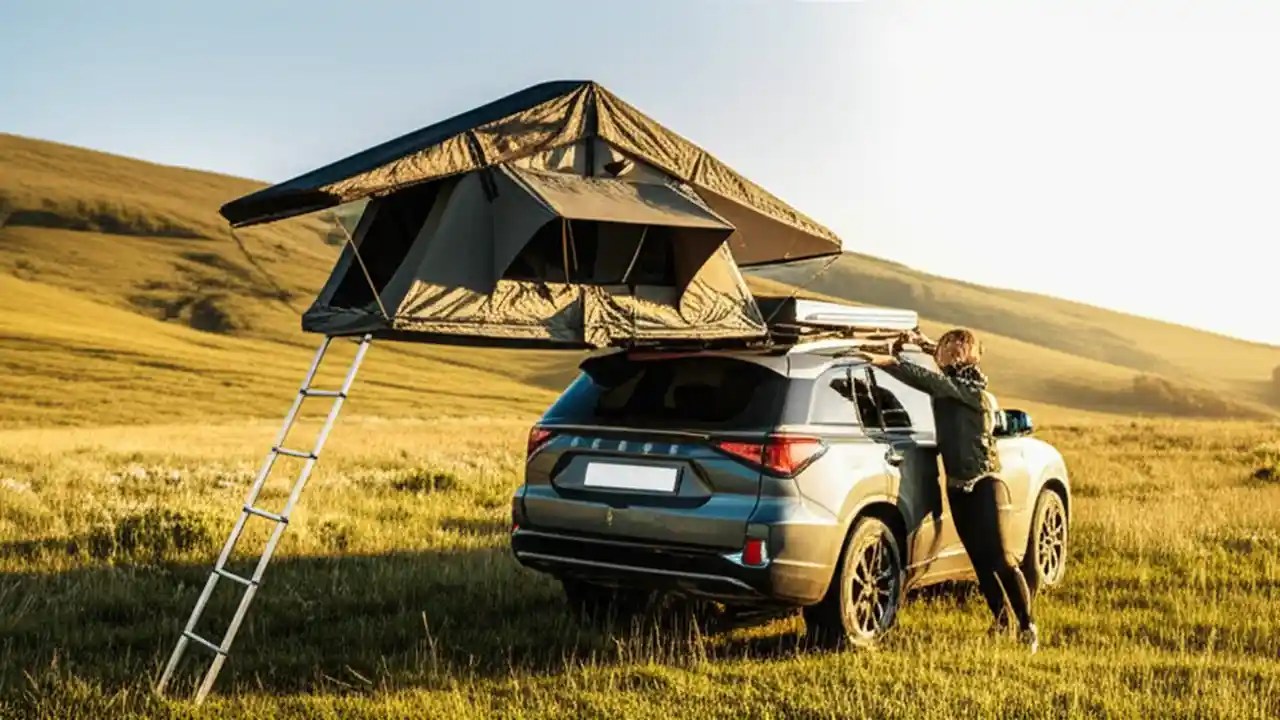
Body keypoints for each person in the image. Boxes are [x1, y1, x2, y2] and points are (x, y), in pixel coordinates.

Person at [862, 328, 1039, 653]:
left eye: (957, 349)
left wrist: (891, 362)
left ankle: (1028, 627)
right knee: (980, 563)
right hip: (958, 489)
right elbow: (940, 362)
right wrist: (920, 342)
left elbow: (935, 382)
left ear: (969, 356)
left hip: (985, 484)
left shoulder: (970, 391)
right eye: (947, 347)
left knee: (1000, 560)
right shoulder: (952, 375)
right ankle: (1002, 622)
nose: (948, 353)